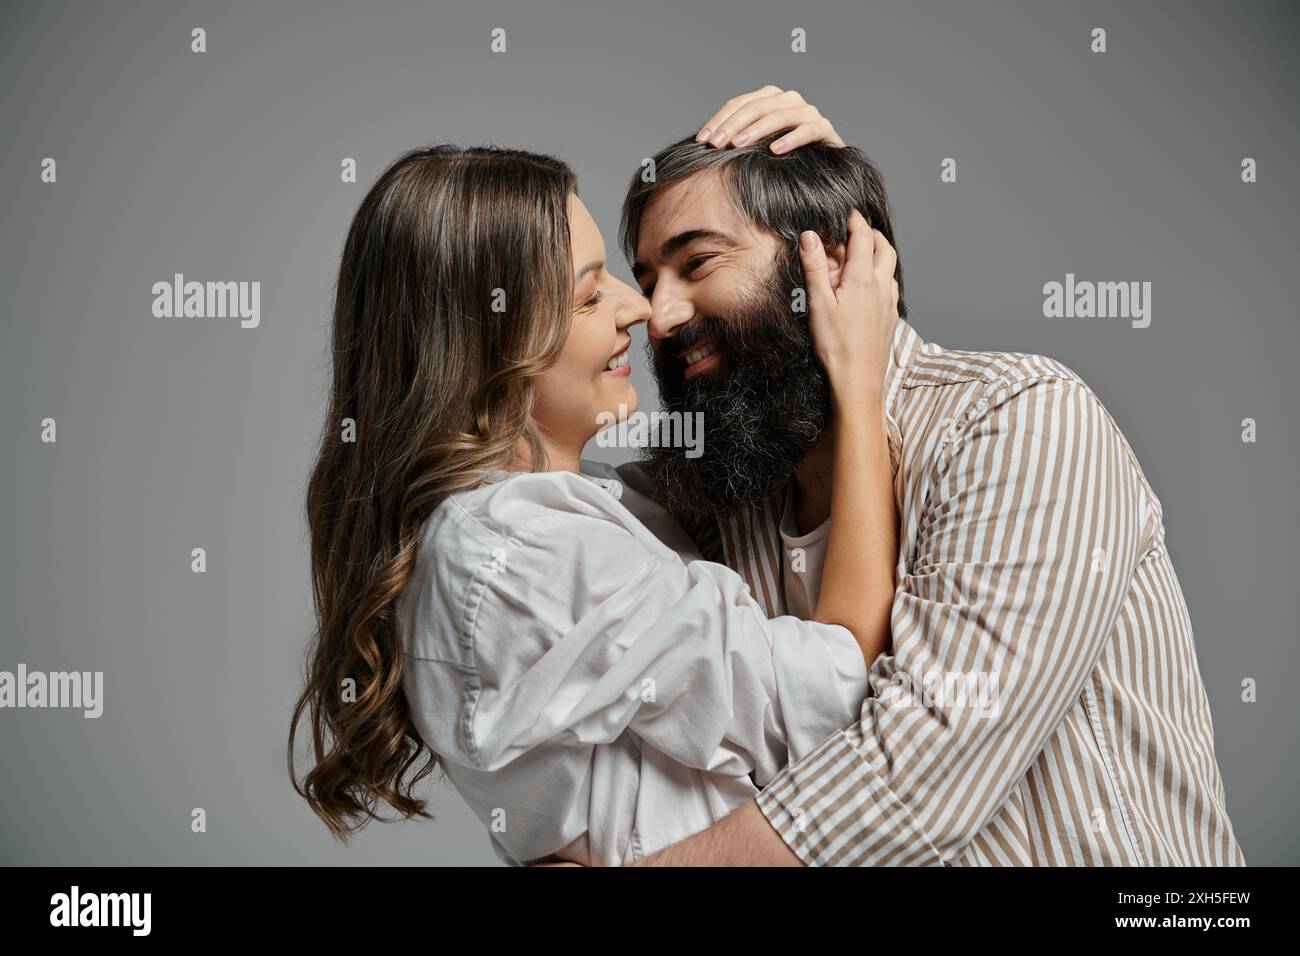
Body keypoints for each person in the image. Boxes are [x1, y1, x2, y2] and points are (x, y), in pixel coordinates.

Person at [600, 87, 1246, 865]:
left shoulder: (1018, 424)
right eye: (647, 278)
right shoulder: (708, 499)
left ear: (832, 258)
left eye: (696, 263)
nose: (659, 314)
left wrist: (828, 204)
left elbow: (912, 786)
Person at [288, 92, 905, 865]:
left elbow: (765, 426)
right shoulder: (527, 552)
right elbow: (835, 684)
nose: (638, 308)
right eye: (588, 294)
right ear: (488, 346)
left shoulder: (598, 511)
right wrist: (860, 384)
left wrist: (818, 199)